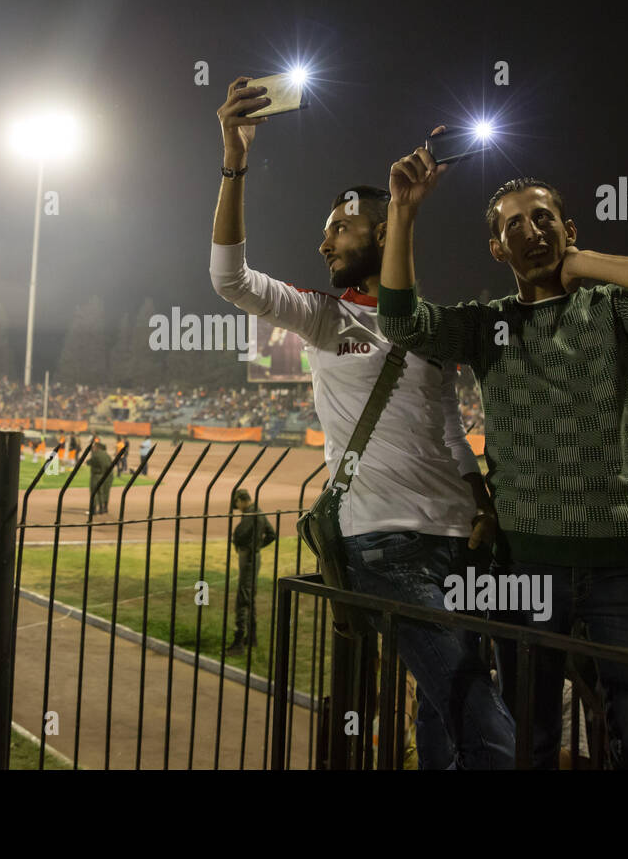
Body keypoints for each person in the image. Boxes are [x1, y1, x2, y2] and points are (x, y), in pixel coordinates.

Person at [377, 138, 628, 769]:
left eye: (544, 219)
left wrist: (587, 265)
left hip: (625, 564)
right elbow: (402, 322)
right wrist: (403, 212)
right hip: (529, 565)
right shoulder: (486, 324)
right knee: (529, 740)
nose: (531, 231)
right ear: (497, 249)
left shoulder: (614, 309)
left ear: (568, 230)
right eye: (514, 226)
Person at [210, 79, 515, 768]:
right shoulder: (325, 317)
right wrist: (235, 161)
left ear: (383, 231)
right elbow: (230, 279)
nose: (324, 243)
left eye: (339, 228)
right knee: (479, 712)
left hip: (457, 540)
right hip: (382, 546)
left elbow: (446, 424)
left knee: (443, 711)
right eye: (324, 233)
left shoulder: (427, 324)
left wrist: (481, 500)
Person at [226, 489, 275, 656]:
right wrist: (258, 546)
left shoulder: (250, 514)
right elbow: (272, 534)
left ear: (241, 500)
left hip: (247, 559)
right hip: (255, 557)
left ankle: (238, 642)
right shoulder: (259, 511)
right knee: (250, 598)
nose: (237, 507)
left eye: (237, 504)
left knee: (243, 599)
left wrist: (248, 545)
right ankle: (252, 637)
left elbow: (237, 536)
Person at [87, 437, 113, 516]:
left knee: (94, 492)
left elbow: (89, 462)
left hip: (97, 475)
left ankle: (94, 509)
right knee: (104, 492)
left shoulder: (96, 454)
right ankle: (103, 508)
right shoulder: (107, 455)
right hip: (107, 476)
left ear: (97, 447)